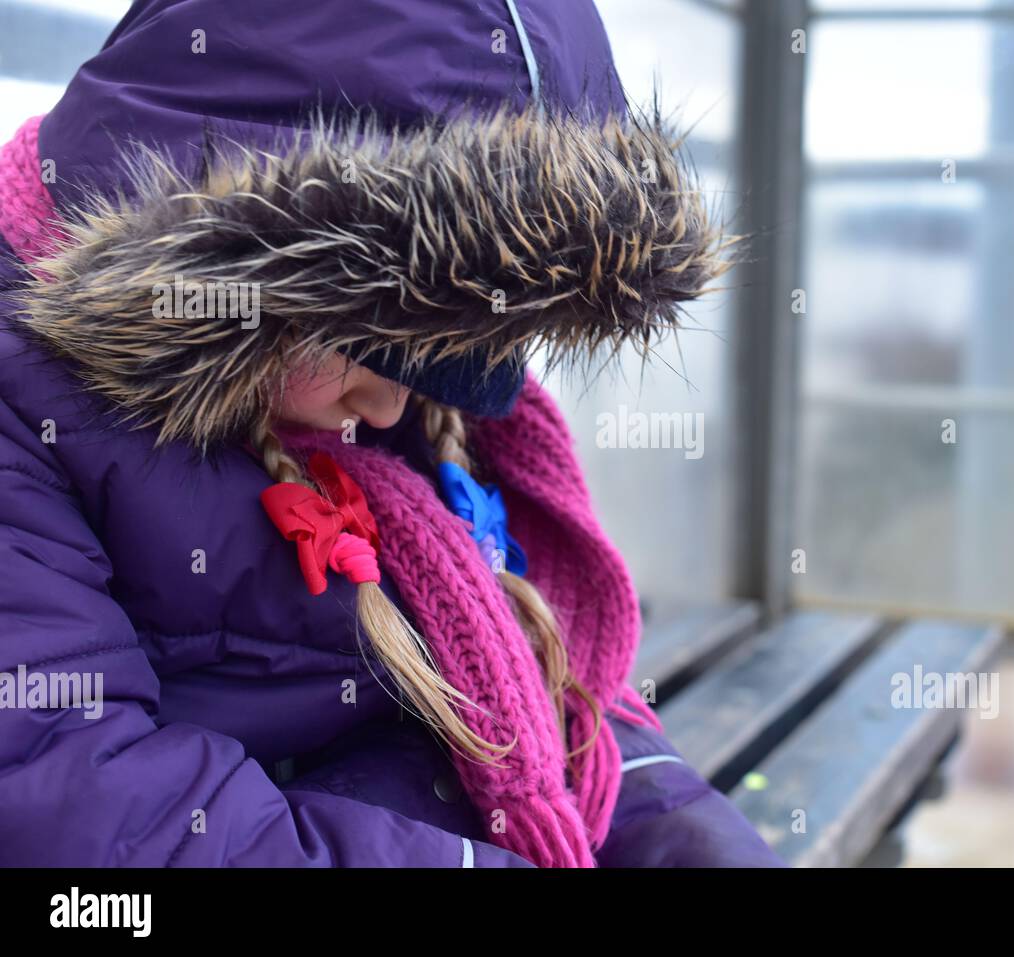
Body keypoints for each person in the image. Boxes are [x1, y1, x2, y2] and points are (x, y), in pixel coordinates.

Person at [0, 0, 786, 868]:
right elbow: (75, 806)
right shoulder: (24, 405)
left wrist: (690, 840)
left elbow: (554, 690)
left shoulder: (388, 399)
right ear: (216, 260)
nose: (389, 412)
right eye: (375, 343)